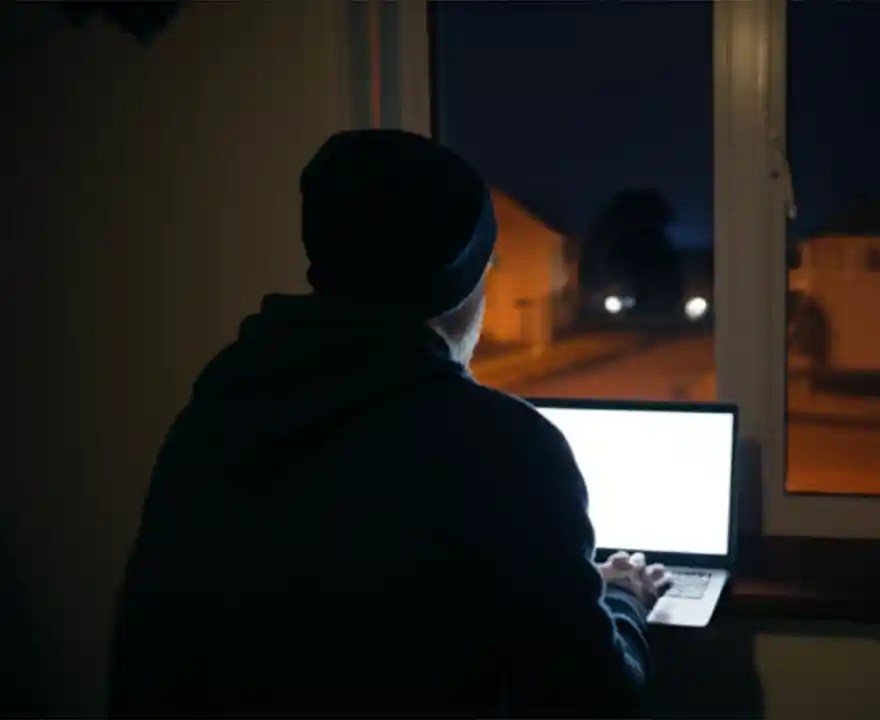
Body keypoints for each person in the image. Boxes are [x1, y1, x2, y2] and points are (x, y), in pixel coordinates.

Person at [107, 129, 672, 718]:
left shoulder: (219, 408)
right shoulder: (502, 446)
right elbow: (595, 699)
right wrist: (623, 598)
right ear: (463, 284)